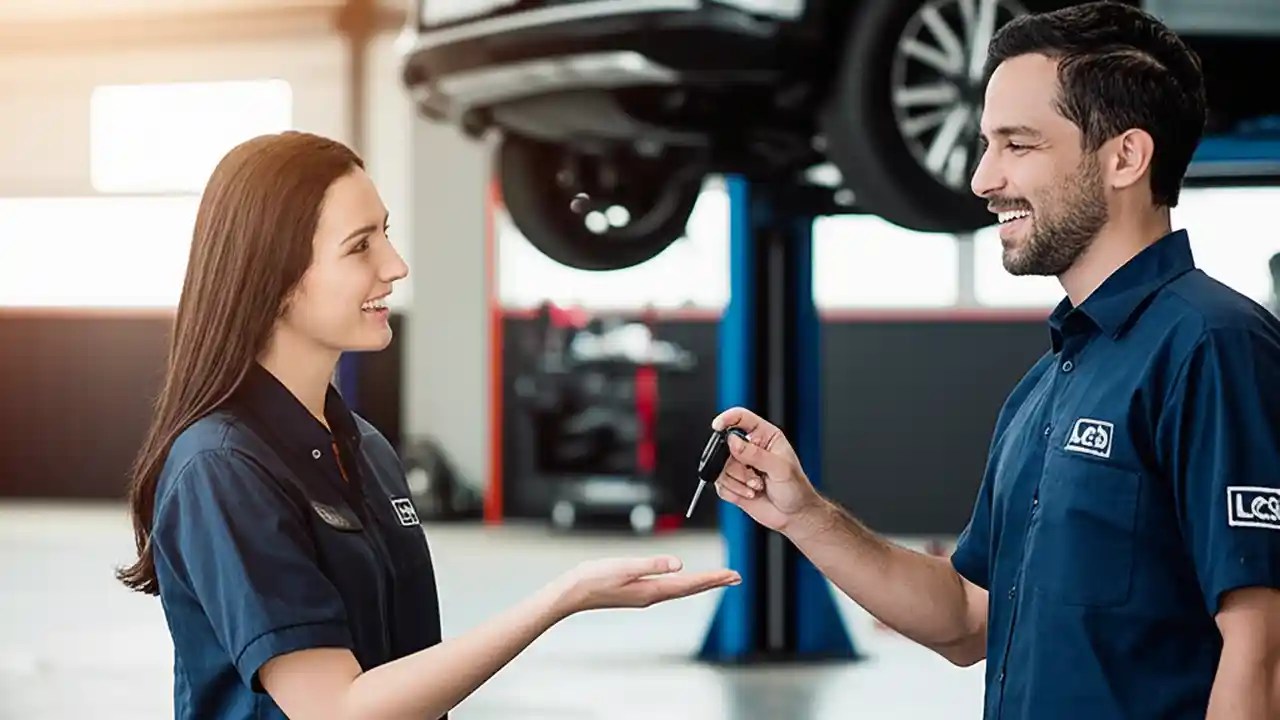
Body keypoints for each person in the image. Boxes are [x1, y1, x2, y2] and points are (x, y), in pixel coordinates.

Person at [709, 3, 1280, 719]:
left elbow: (1262, 654)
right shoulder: (1048, 385)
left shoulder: (1213, 346)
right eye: (986, 145)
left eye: (1018, 144)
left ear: (1125, 158)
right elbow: (965, 615)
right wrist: (805, 515)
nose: (982, 179)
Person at [115, 130, 740, 720]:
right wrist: (560, 600)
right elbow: (337, 708)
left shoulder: (366, 448)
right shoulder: (223, 467)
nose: (395, 265)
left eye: (385, 234)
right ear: (274, 276)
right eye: (360, 246)